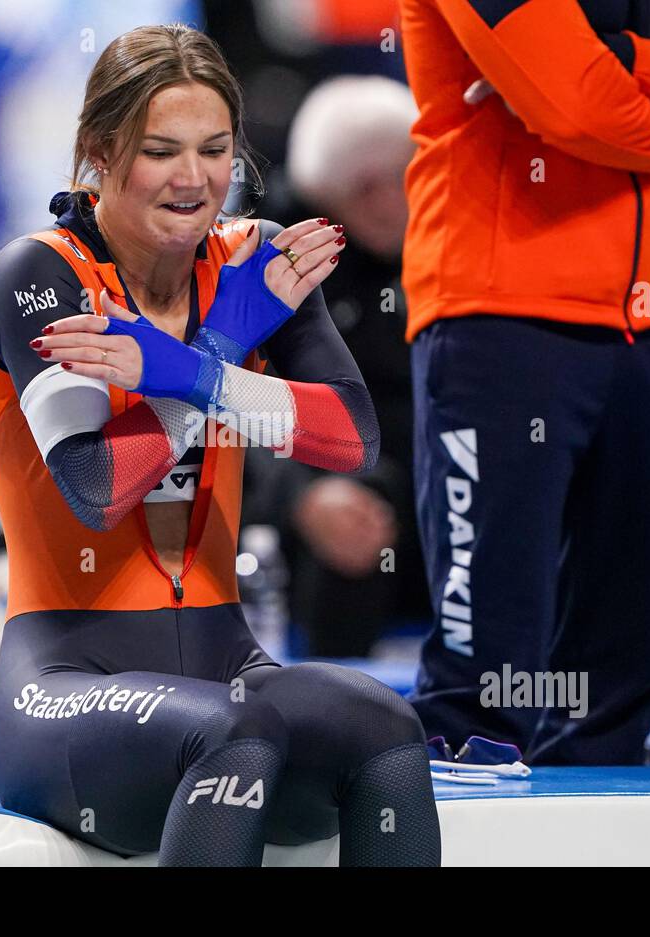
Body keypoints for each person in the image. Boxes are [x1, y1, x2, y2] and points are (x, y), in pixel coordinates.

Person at [0, 24, 440, 866]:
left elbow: (349, 438)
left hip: (229, 664)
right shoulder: (41, 275)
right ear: (98, 151)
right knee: (235, 735)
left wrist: (193, 373)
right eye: (161, 150)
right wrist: (220, 352)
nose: (194, 179)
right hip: (63, 686)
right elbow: (94, 484)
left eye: (215, 149)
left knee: (386, 730)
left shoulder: (255, 262)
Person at [400, 0, 650, 764]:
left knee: (625, 674)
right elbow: (576, 107)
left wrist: (623, 56)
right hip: (500, 307)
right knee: (485, 677)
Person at [241, 75, 428, 658]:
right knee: (357, 498)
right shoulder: (243, 272)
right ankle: (333, 708)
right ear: (372, 189)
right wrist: (301, 497)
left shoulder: (422, 255)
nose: (430, 198)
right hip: (303, 544)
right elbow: (205, 409)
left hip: (434, 525)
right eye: (417, 179)